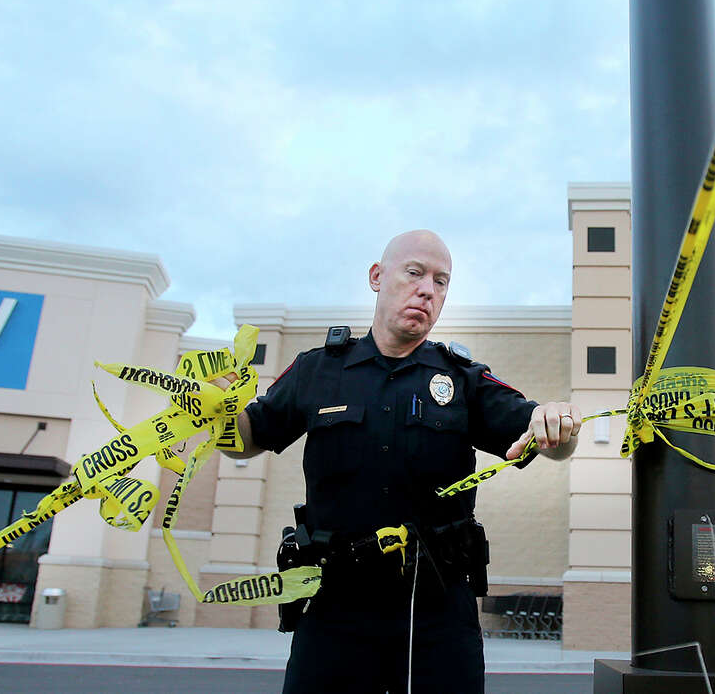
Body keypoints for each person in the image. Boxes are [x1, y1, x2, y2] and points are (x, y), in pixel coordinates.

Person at [220, 229, 580, 693]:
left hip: (437, 613)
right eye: (414, 273)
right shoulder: (318, 370)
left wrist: (558, 422)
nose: (427, 289)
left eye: (441, 281)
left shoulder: (462, 380)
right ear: (377, 276)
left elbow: (544, 435)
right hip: (333, 607)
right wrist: (215, 415)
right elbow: (246, 439)